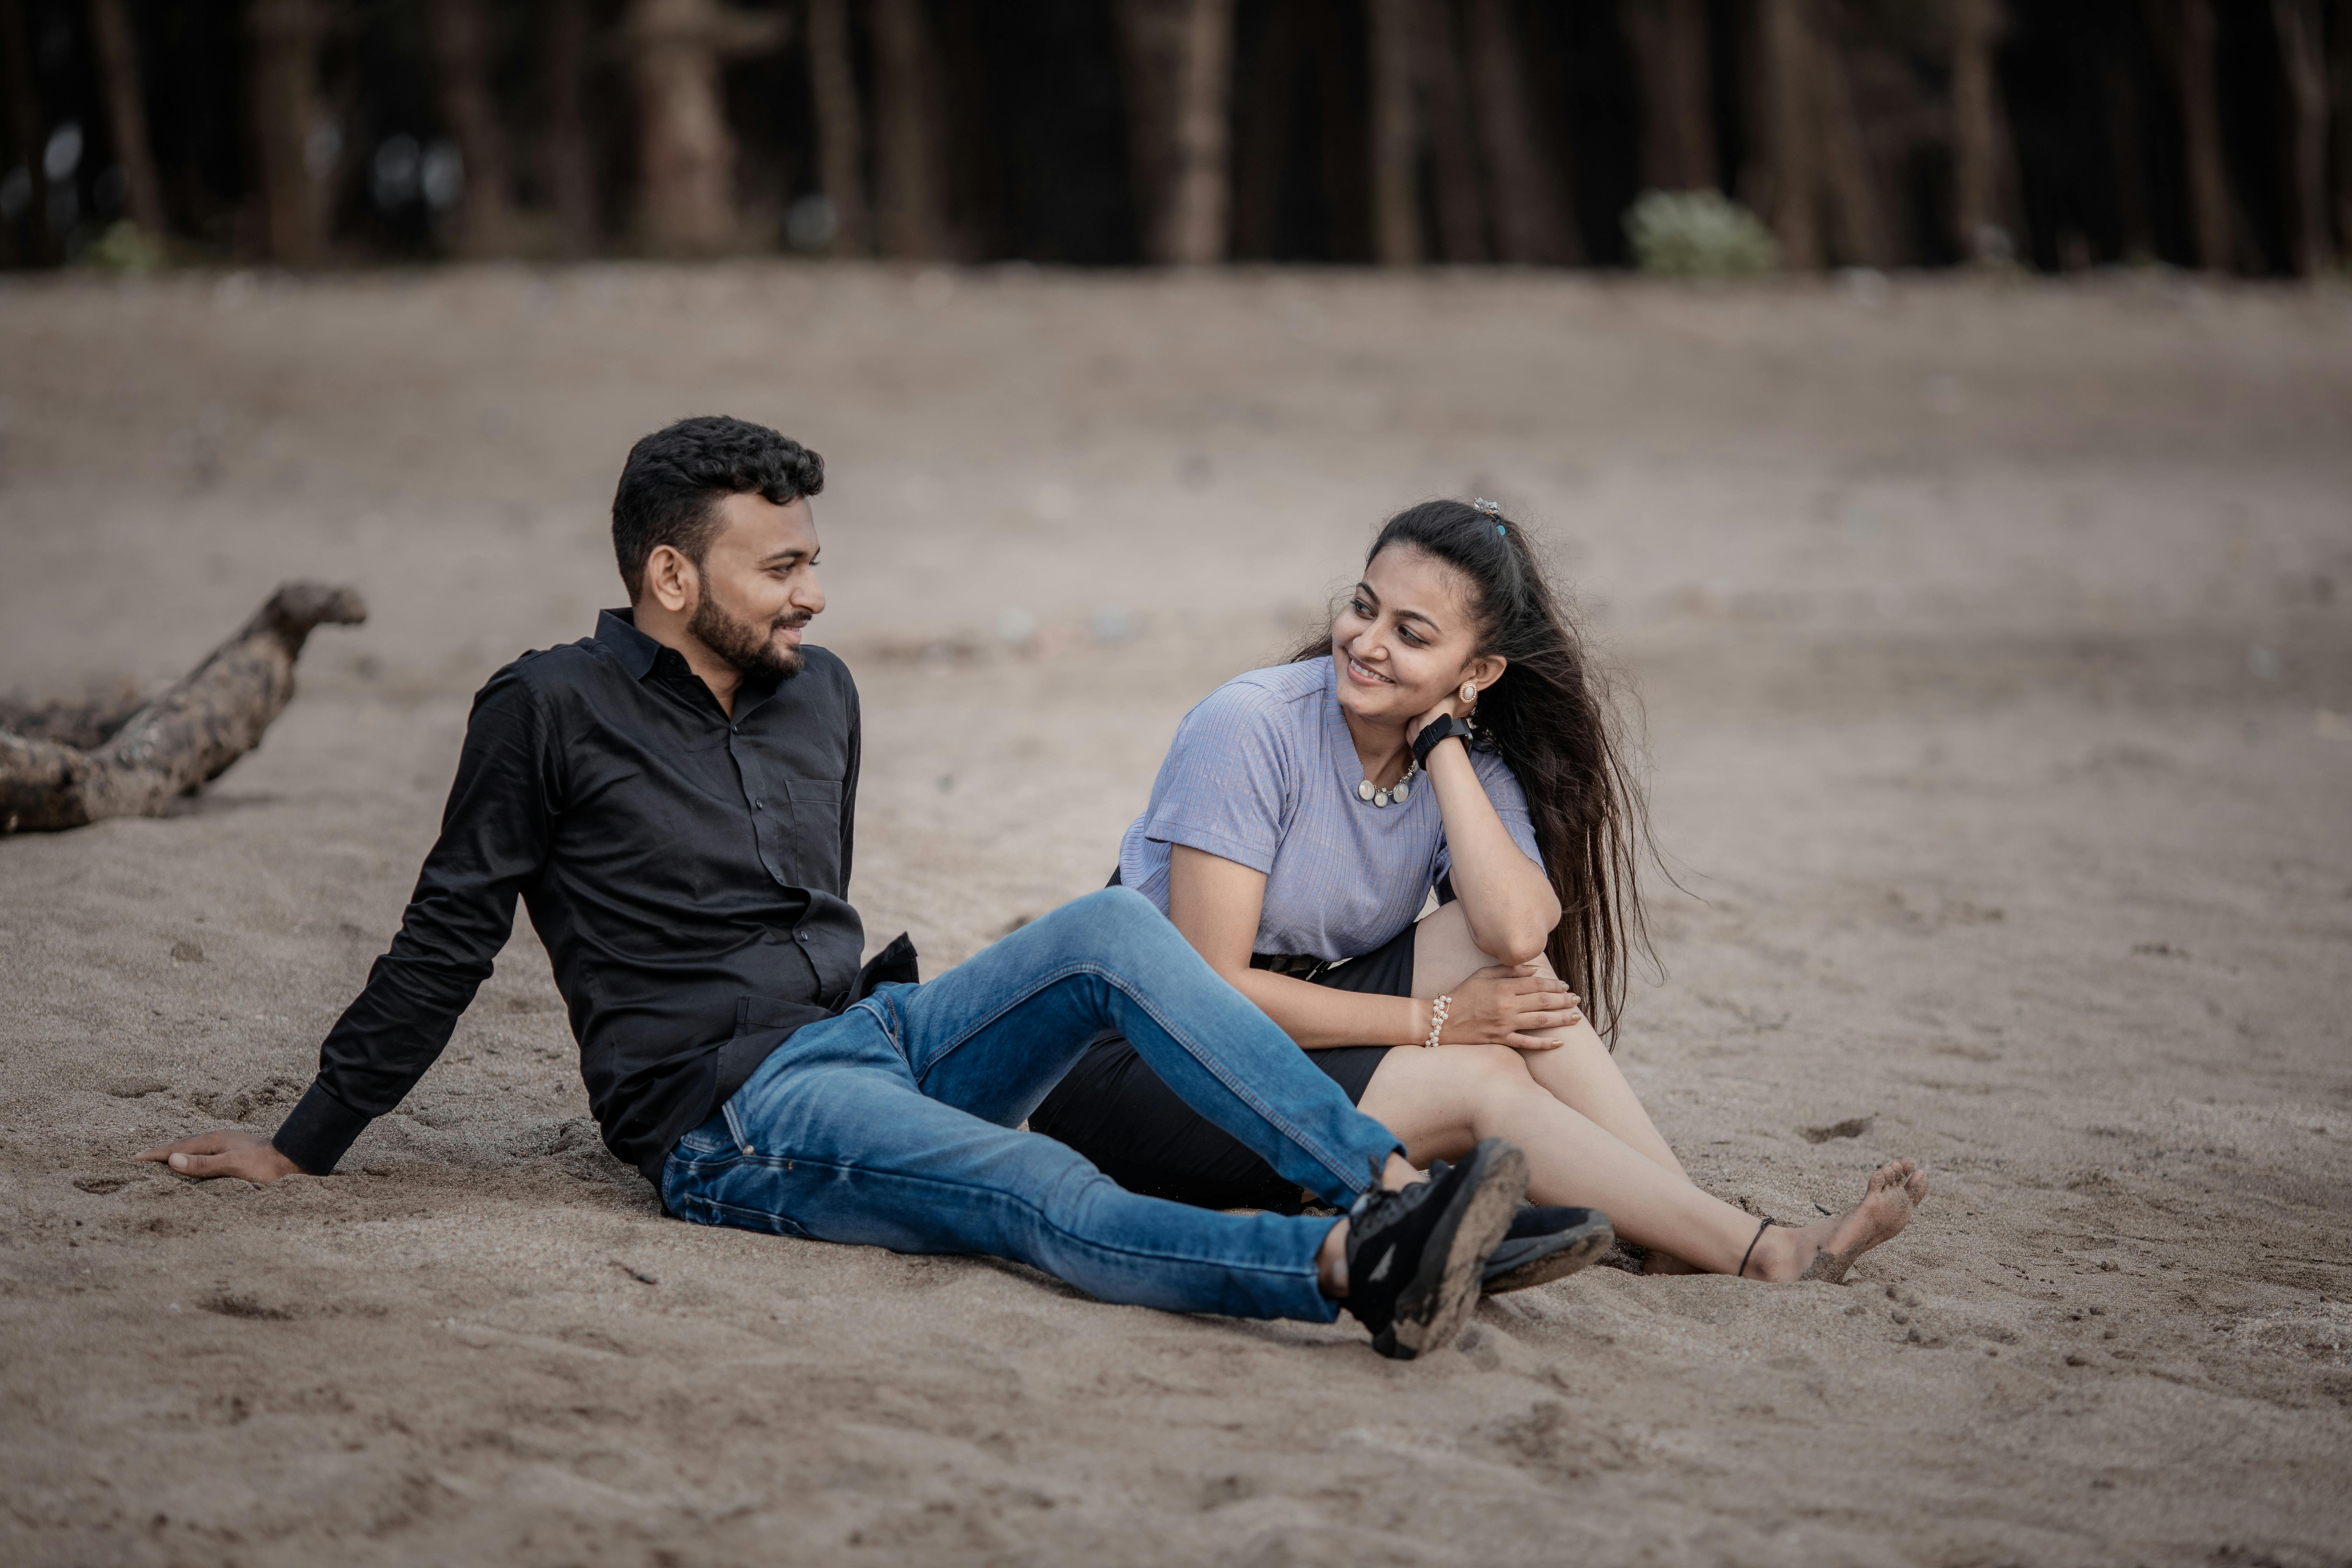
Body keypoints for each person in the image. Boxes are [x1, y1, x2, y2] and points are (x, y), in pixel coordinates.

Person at [136, 417, 1560, 1361]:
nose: (814, 595)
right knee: (1027, 1184)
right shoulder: (546, 710)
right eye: (782, 568)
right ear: (672, 575)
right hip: (731, 1117)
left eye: (814, 560)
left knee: (1114, 928)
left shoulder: (821, 696)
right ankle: (1348, 1268)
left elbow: (808, 923)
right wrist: (305, 1145)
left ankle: (1385, 1186)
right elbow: (445, 937)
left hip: (880, 1037)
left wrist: (893, 1026)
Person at [1032, 499, 1929, 1282]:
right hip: (1139, 1065)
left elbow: (1517, 928)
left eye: (1413, 634)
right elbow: (1211, 994)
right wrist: (1437, 1023)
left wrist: (1442, 747)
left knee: (1511, 970)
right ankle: (1760, 1251)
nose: (1368, 644)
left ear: (1480, 671)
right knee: (1479, 1075)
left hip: (1280, 1030)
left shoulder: (1456, 758)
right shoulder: (1251, 726)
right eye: (1365, 607)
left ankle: (1676, 1224)